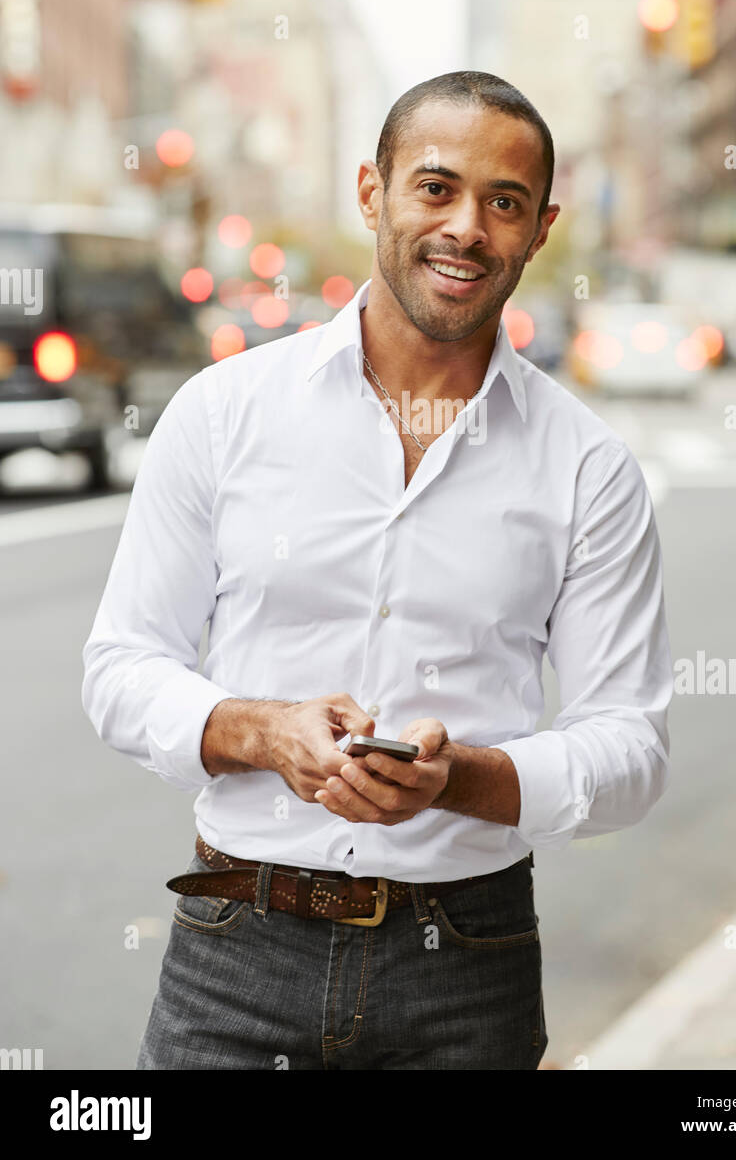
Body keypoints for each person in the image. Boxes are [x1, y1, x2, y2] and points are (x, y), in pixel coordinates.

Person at [82, 71, 673, 1071]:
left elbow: (630, 749)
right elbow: (121, 668)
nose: (466, 229)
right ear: (371, 193)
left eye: (503, 202)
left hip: (464, 968)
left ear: (538, 230)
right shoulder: (223, 414)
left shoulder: (585, 467)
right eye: (434, 188)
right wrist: (261, 730)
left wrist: (462, 779)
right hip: (238, 949)